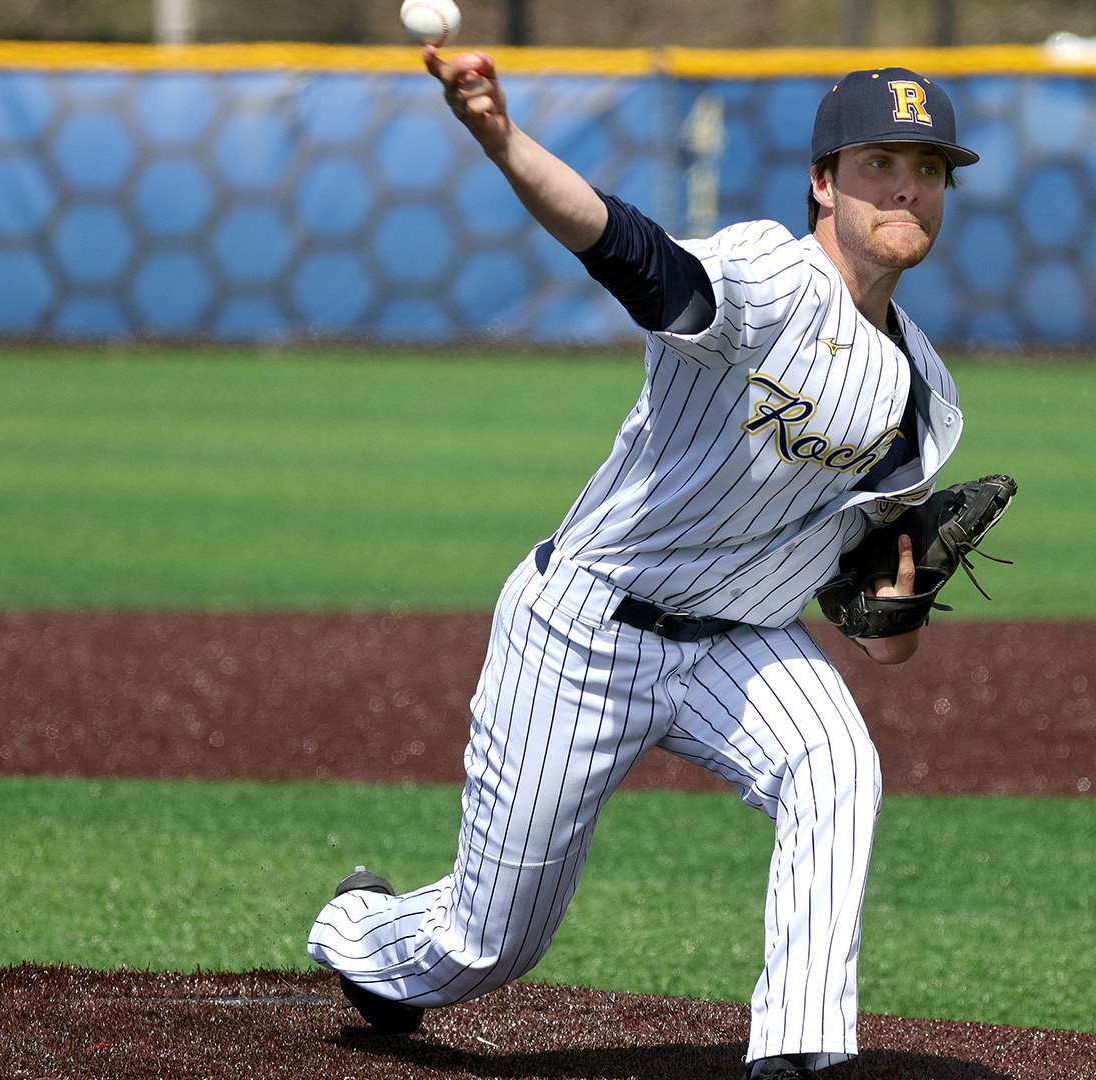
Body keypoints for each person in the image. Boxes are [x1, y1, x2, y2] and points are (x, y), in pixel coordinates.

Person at [306, 50, 979, 1080]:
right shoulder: (767, 282)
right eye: (880, 161)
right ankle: (363, 933)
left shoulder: (922, 396)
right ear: (823, 183)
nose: (907, 187)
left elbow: (880, 641)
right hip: (583, 629)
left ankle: (800, 1051)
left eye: (928, 168)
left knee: (836, 766)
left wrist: (900, 599)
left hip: (739, 645)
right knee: (490, 943)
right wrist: (502, 139)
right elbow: (629, 251)